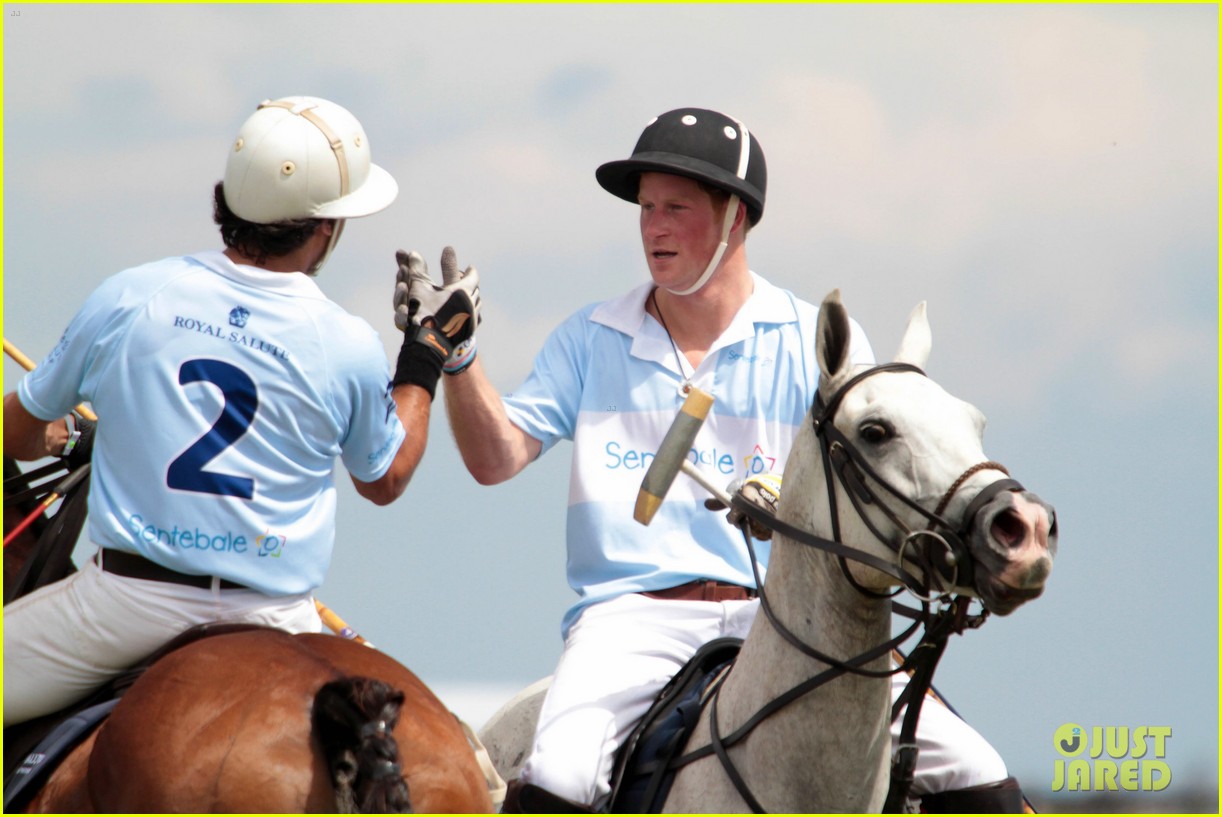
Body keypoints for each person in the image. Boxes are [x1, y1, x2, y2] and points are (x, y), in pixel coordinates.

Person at [431, 107, 1021, 811]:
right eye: (646, 207)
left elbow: (876, 473)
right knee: (559, 772)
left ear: (734, 217)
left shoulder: (816, 338)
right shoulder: (591, 336)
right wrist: (459, 357)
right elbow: (494, 457)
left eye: (676, 208)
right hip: (630, 619)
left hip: (791, 618)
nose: (654, 226)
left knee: (980, 773)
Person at [2, 96, 477, 727]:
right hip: (277, 617)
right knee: (468, 763)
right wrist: (425, 353)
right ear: (326, 228)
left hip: (125, 606)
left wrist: (66, 437)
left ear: (228, 200)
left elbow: (16, 428)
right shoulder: (345, 339)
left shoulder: (133, 295)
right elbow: (385, 478)